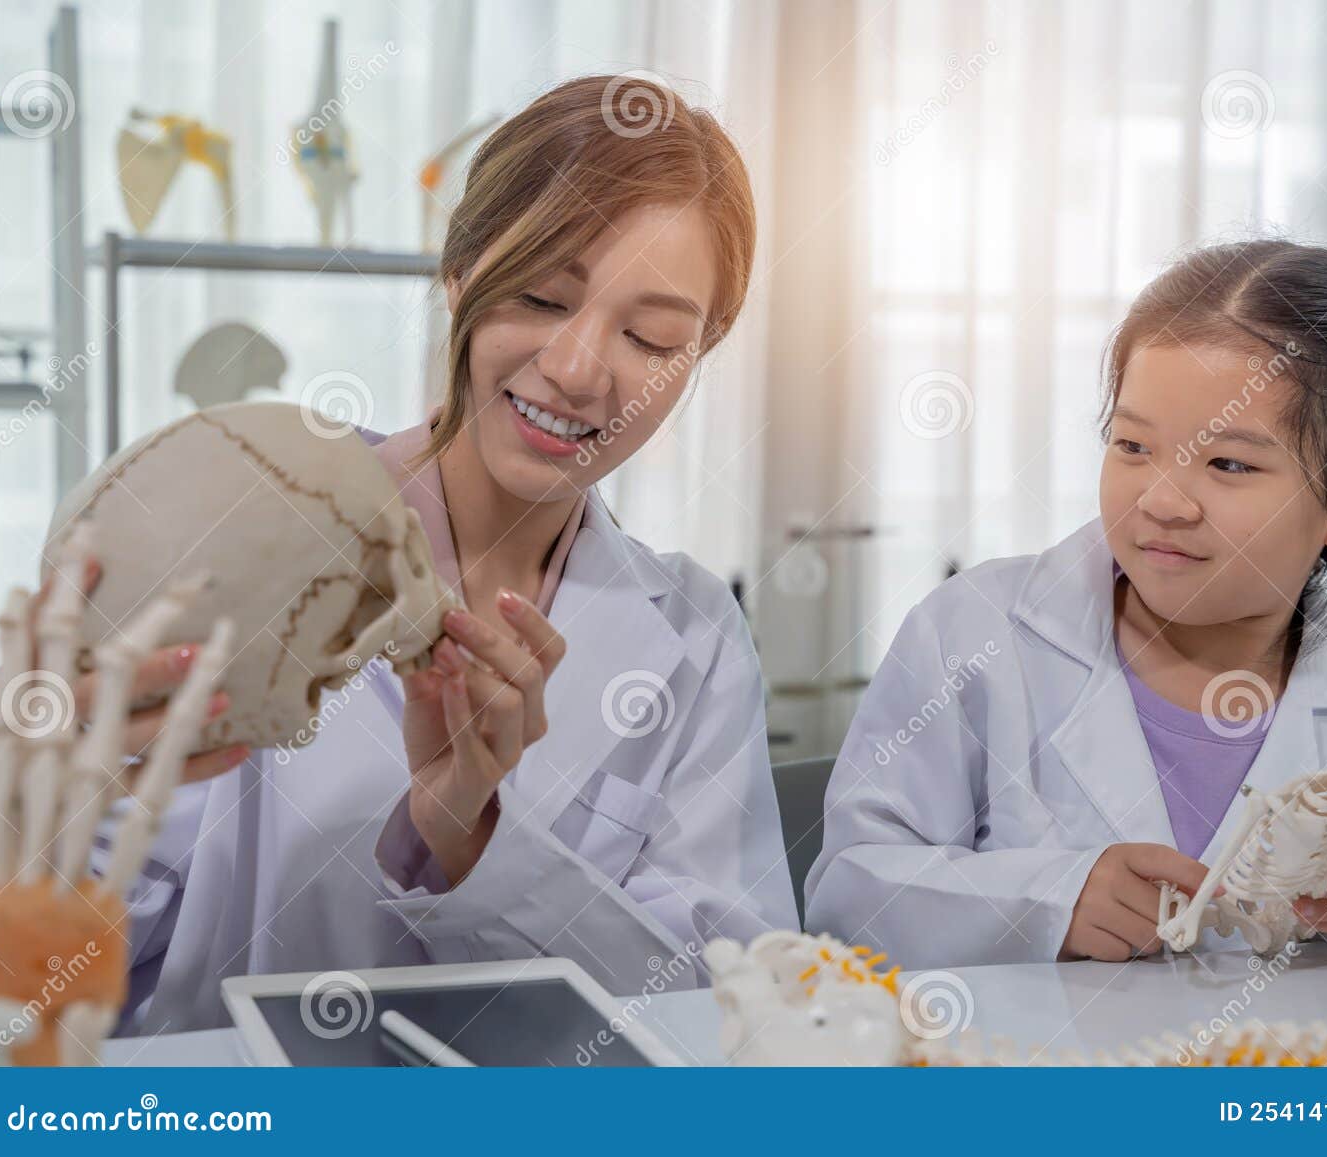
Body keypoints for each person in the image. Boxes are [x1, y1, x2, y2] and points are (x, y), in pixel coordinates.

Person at [69, 75, 795, 1035]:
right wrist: (55, 765)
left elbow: (727, 1007)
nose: (578, 371)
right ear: (457, 272)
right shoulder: (251, 532)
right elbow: (61, 967)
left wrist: (469, 841)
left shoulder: (695, 636)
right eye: (541, 295)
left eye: (650, 337)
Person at [805, 240, 1327, 967]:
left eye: (1228, 463)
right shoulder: (972, 635)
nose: (1161, 500)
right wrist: (1046, 900)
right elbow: (851, 894)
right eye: (1132, 445)